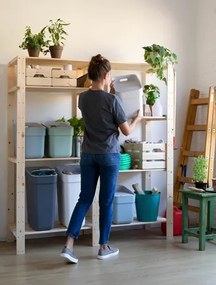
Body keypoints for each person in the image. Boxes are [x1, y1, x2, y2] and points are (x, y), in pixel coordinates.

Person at [60, 54, 142, 264]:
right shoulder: (113, 100)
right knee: (105, 202)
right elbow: (125, 131)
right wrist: (136, 119)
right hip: (108, 156)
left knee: (84, 199)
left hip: (88, 154)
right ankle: (103, 247)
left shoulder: (82, 98)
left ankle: (69, 245)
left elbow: (97, 109)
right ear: (106, 75)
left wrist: (110, 94)